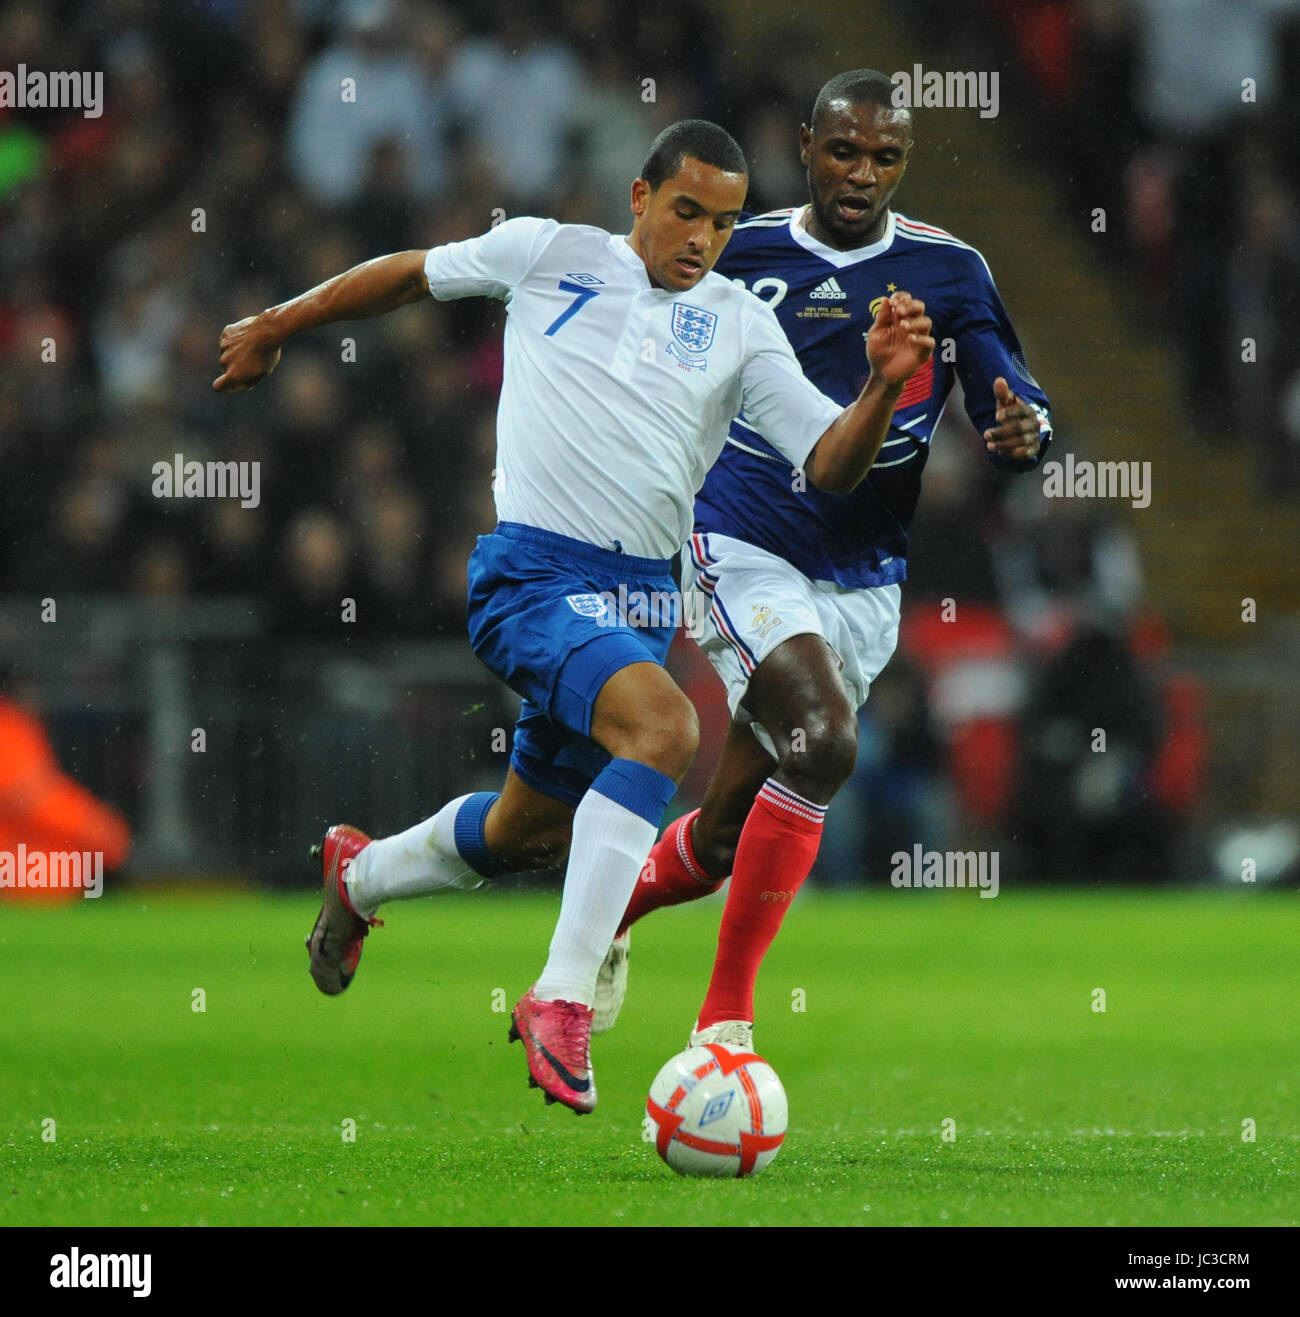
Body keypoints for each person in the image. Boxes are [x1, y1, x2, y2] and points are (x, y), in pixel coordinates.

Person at [213, 119, 934, 1113]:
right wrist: (280, 325)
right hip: (533, 577)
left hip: (640, 604)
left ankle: (360, 875)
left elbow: (827, 463)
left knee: (524, 836)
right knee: (667, 728)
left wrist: (880, 393)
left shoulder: (737, 323)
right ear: (639, 198)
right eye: (685, 211)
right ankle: (559, 994)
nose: (701, 239)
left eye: (723, 224)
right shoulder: (549, 253)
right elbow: (411, 273)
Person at [603, 69, 1054, 1052]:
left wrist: (1024, 431)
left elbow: (1009, 401)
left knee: (721, 839)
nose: (860, 173)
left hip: (865, 585)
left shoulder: (949, 271)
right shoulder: (741, 248)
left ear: (905, 161)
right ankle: (724, 1028)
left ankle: (602, 919)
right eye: (842, 151)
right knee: (828, 738)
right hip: (742, 547)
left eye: (883, 157)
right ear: (806, 145)